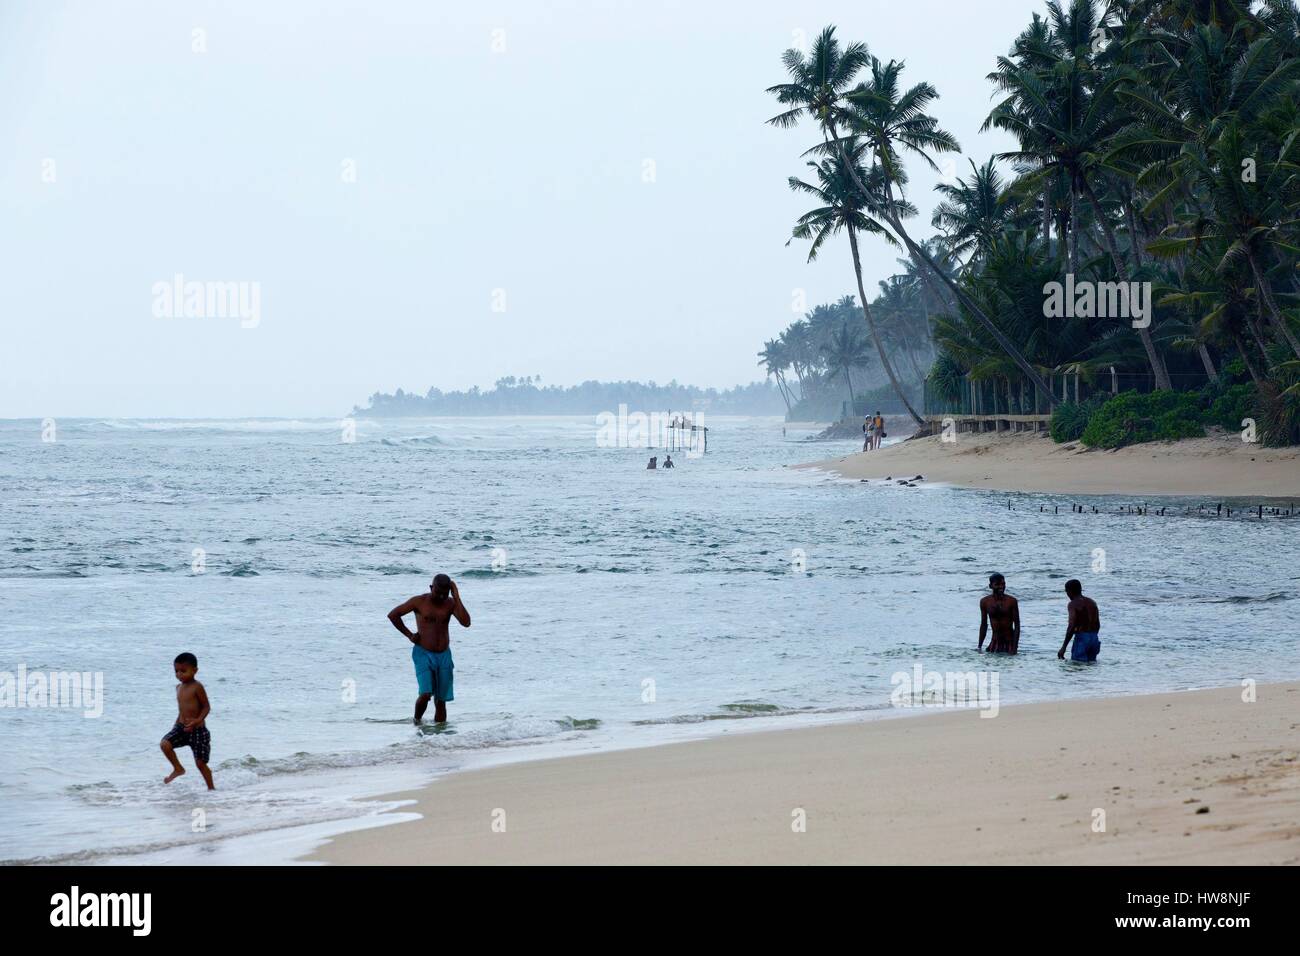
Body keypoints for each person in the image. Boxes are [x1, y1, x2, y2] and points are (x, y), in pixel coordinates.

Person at [388, 574, 472, 725]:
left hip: (444, 655)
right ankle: (417, 722)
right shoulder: (419, 602)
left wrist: (456, 596)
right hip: (423, 653)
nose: (440, 596)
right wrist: (409, 635)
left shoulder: (451, 603)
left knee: (441, 701)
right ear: (431, 587)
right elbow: (393, 615)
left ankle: (439, 740)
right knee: (425, 694)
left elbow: (466, 623)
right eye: (437, 592)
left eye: (444, 594)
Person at [161, 652, 214, 788]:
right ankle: (178, 768)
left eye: (183, 671)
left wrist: (197, 720)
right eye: (176, 671)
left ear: (195, 670)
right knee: (165, 744)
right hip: (181, 727)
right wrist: (176, 725)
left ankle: (211, 789)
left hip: (198, 730)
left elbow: (206, 707)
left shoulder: (197, 687)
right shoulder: (178, 688)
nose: (179, 674)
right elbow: (181, 710)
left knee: (200, 764)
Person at [1058, 579, 1101, 662]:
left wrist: (1064, 647)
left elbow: (1071, 626)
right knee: (1090, 668)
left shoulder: (1073, 604)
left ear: (1070, 591)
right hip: (1094, 638)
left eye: (1066, 591)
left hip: (1082, 638)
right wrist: (1092, 637)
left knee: (1077, 668)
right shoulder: (1092, 602)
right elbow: (1098, 624)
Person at [978, 573, 1020, 654]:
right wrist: (979, 646)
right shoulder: (985, 602)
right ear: (990, 586)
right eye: (997, 584)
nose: (1001, 587)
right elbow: (983, 625)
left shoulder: (1011, 601)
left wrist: (1015, 648)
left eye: (1003, 584)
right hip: (994, 643)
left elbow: (1017, 625)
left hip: (1009, 643)